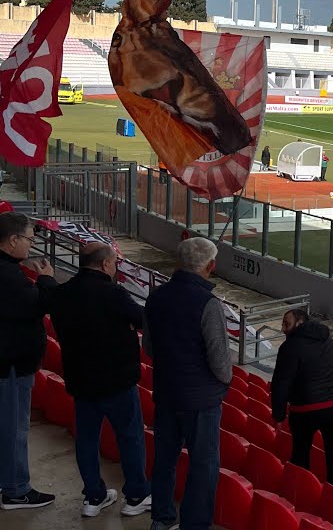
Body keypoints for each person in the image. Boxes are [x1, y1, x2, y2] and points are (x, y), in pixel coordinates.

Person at [46, 243, 151, 518]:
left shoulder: (63, 293)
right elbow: (142, 319)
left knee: (87, 440)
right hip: (117, 381)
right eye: (114, 262)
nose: (115, 266)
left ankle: (94, 497)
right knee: (129, 438)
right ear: (105, 264)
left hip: (81, 380)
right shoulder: (112, 293)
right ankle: (137, 495)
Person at [144, 237, 231, 530]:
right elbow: (220, 361)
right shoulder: (209, 304)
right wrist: (222, 384)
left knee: (164, 460)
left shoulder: (155, 297)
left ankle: (161, 518)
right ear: (211, 266)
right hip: (201, 401)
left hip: (167, 393)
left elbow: (149, 348)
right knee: (203, 465)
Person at [0, 212, 58, 511]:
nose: (30, 245)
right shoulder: (8, 276)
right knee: (14, 429)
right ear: (12, 241)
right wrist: (47, 280)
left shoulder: (8, 269)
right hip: (11, 364)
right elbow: (39, 305)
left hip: (10, 361)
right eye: (28, 240)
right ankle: (15, 490)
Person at [271, 309, 333, 489]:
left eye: (286, 324)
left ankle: (302, 494)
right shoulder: (328, 341)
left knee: (300, 453)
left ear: (299, 323)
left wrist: (279, 416)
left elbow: (281, 383)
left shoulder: (289, 347)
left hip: (305, 408)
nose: (283, 329)